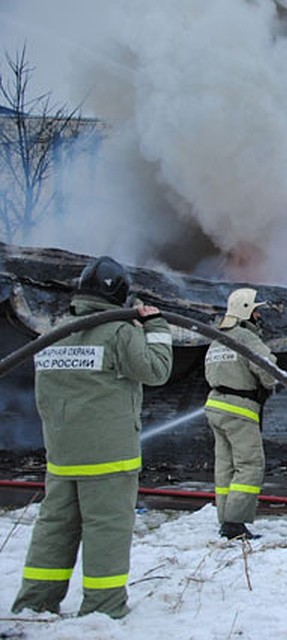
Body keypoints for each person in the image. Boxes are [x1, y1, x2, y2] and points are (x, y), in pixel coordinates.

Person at [11, 256, 173, 619]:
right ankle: (104, 607)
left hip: (62, 456)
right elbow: (157, 370)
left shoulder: (55, 332)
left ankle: (35, 603)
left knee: (54, 527)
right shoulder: (118, 331)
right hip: (109, 457)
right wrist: (157, 327)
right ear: (120, 295)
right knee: (107, 528)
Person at [204, 288, 277, 540]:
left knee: (225, 467)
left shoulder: (217, 339)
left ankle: (225, 520)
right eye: (256, 310)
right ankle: (235, 524)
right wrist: (270, 382)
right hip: (239, 409)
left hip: (215, 407)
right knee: (249, 465)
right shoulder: (246, 338)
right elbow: (267, 370)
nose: (259, 315)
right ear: (246, 311)